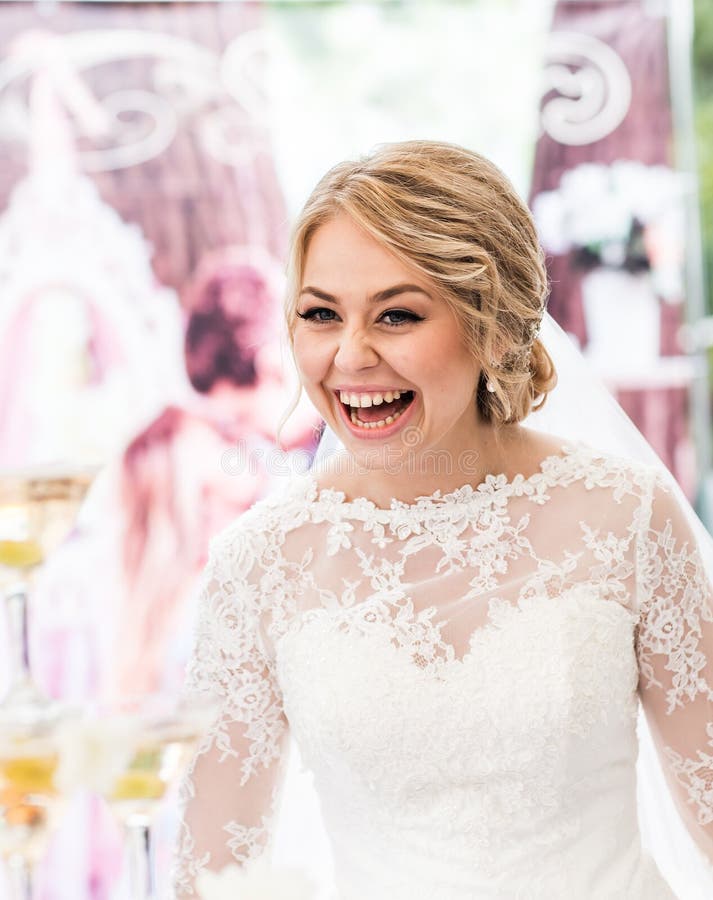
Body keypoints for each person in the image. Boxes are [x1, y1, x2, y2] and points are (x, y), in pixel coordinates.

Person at [172, 141, 713, 899]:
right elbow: (211, 876)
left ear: (491, 326)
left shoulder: (625, 517)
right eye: (320, 314)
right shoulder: (258, 564)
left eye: (396, 315)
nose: (350, 355)